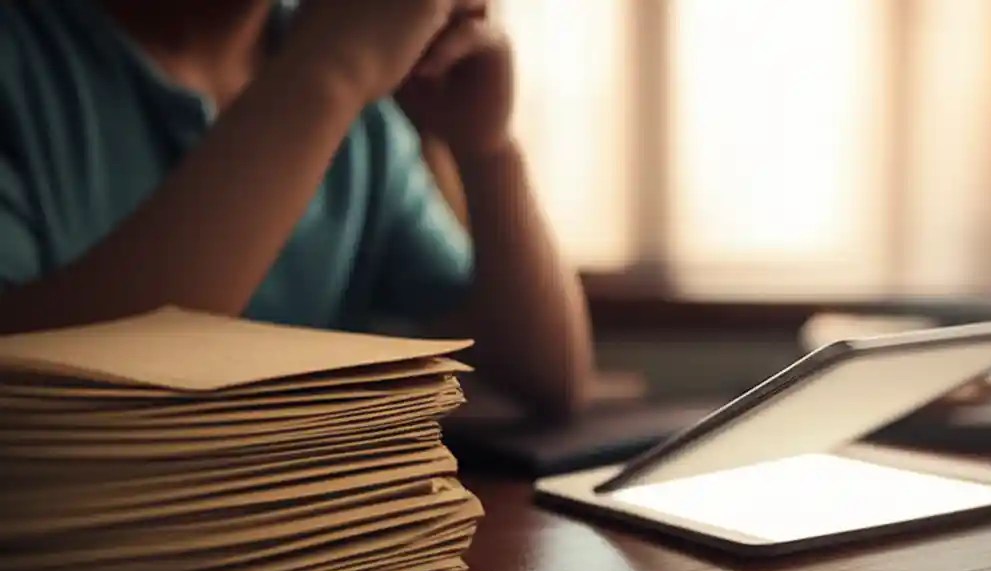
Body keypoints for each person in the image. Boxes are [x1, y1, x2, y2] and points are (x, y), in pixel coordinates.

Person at [0, 0, 593, 417]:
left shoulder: (361, 114)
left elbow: (549, 377)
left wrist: (488, 149)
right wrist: (333, 70)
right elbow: (72, 397)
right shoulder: (23, 58)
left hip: (300, 554)